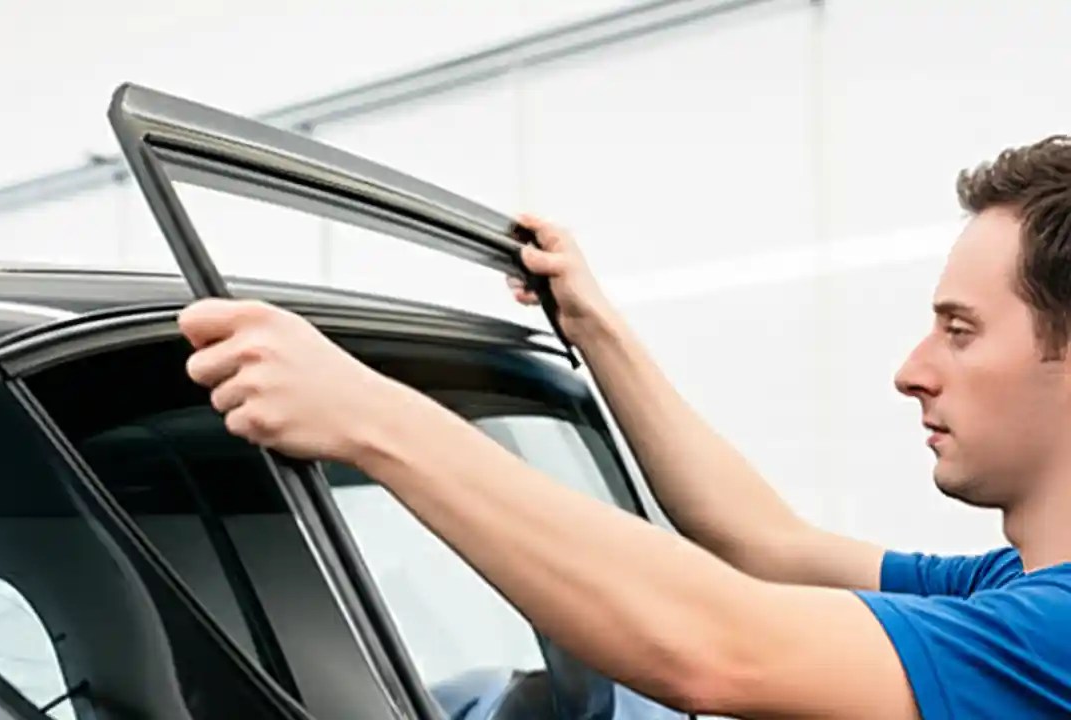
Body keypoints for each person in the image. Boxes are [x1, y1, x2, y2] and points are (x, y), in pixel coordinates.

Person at [176, 136, 1071, 718]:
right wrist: (595, 328)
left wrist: (372, 419)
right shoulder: (1004, 587)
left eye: (960, 331)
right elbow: (761, 543)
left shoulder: (1052, 636)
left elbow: (713, 645)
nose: (913, 369)